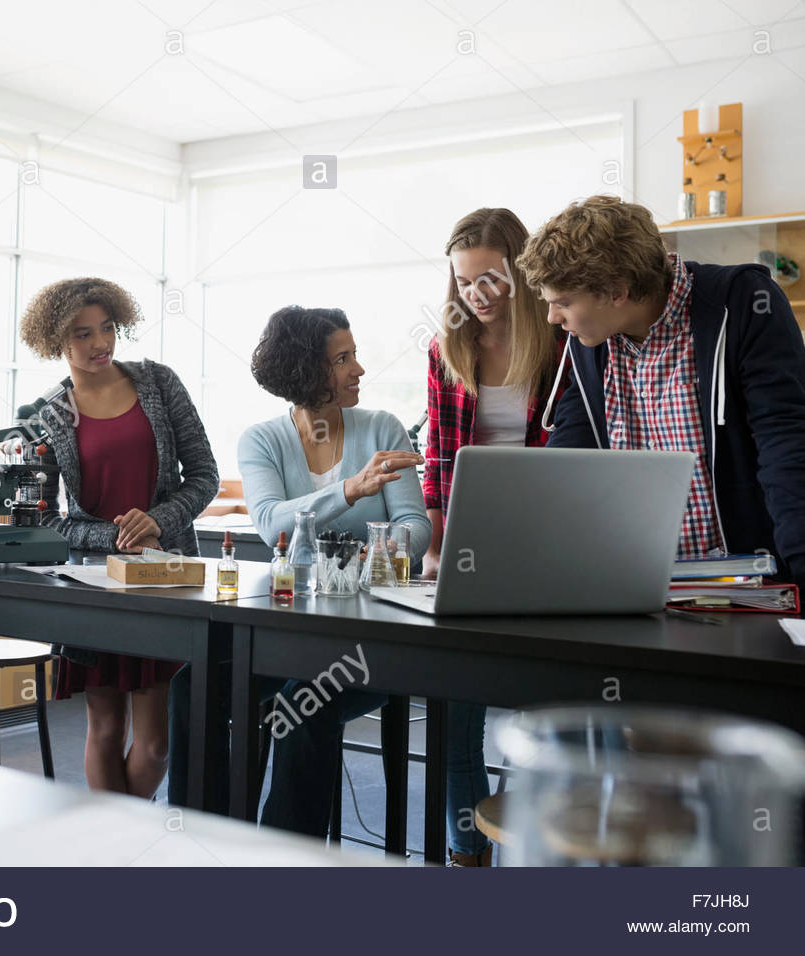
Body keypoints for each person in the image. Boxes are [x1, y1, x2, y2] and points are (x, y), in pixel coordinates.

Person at [170, 305, 428, 837]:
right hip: (289, 629)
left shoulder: (384, 428)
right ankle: (202, 838)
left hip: (370, 636)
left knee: (301, 700)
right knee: (193, 684)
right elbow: (270, 525)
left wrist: (377, 550)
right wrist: (351, 489)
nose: (359, 370)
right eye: (343, 359)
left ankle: (285, 859)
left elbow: (415, 527)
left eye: (355, 355)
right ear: (307, 370)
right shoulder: (262, 440)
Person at [517, 195, 805, 596]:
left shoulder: (740, 303)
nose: (552, 317)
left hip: (743, 585)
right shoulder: (590, 336)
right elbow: (570, 456)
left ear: (617, 290)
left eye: (563, 303)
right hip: (630, 584)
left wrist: (802, 578)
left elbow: (786, 444)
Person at [19, 277, 219, 797]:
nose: (99, 343)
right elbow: (40, 518)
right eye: (82, 334)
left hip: (164, 581)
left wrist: (159, 520)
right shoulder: (45, 416)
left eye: (107, 328)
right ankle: (115, 855)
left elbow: (204, 474)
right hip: (91, 587)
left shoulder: (158, 382)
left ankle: (115, 847)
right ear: (56, 342)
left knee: (155, 745)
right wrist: (111, 535)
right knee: (105, 728)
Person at [422, 207, 568, 865]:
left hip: (546, 541)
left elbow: (574, 459)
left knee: (555, 711)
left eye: (491, 279)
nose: (476, 295)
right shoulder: (446, 349)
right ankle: (465, 853)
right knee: (458, 705)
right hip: (470, 544)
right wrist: (433, 544)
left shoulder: (566, 344)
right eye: (464, 282)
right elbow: (440, 460)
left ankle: (560, 849)